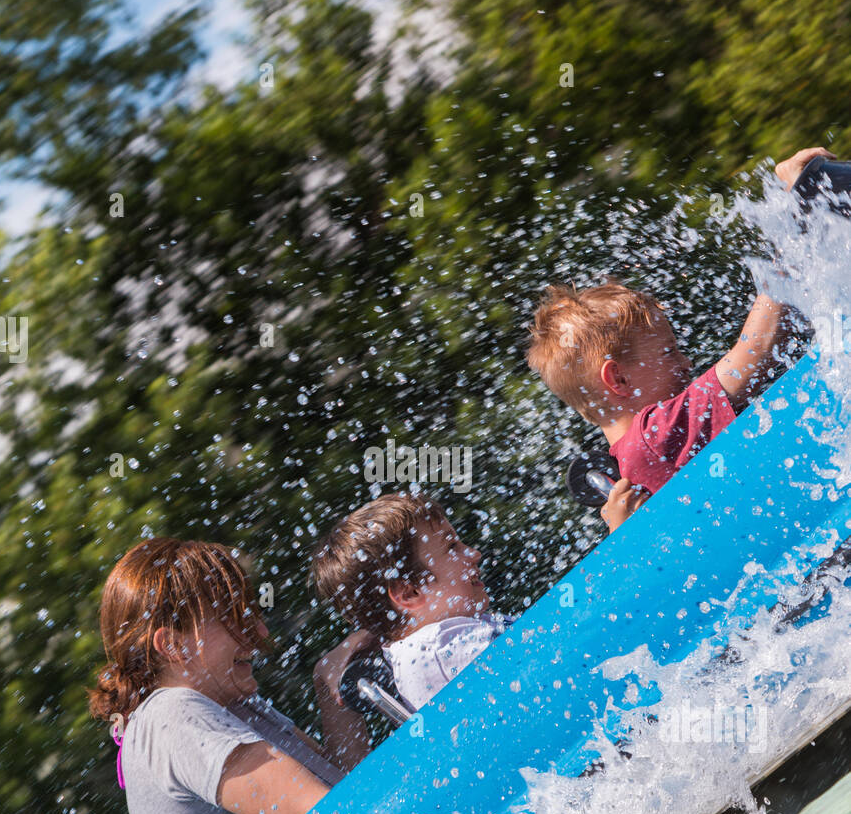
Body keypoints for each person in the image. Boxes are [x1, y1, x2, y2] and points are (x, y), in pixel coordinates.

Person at [528, 147, 833, 503]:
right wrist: (795, 218)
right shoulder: (653, 439)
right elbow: (755, 353)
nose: (686, 363)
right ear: (619, 379)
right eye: (670, 352)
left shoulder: (630, 468)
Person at [89, 537, 344, 814]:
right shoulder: (173, 717)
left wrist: (330, 685)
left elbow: (344, 783)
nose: (261, 632)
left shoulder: (234, 705)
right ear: (173, 646)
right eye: (236, 617)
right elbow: (328, 812)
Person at [311, 493, 515, 752]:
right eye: (452, 547)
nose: (474, 553)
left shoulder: (421, 648)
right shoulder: (438, 648)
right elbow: (545, 653)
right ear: (409, 593)